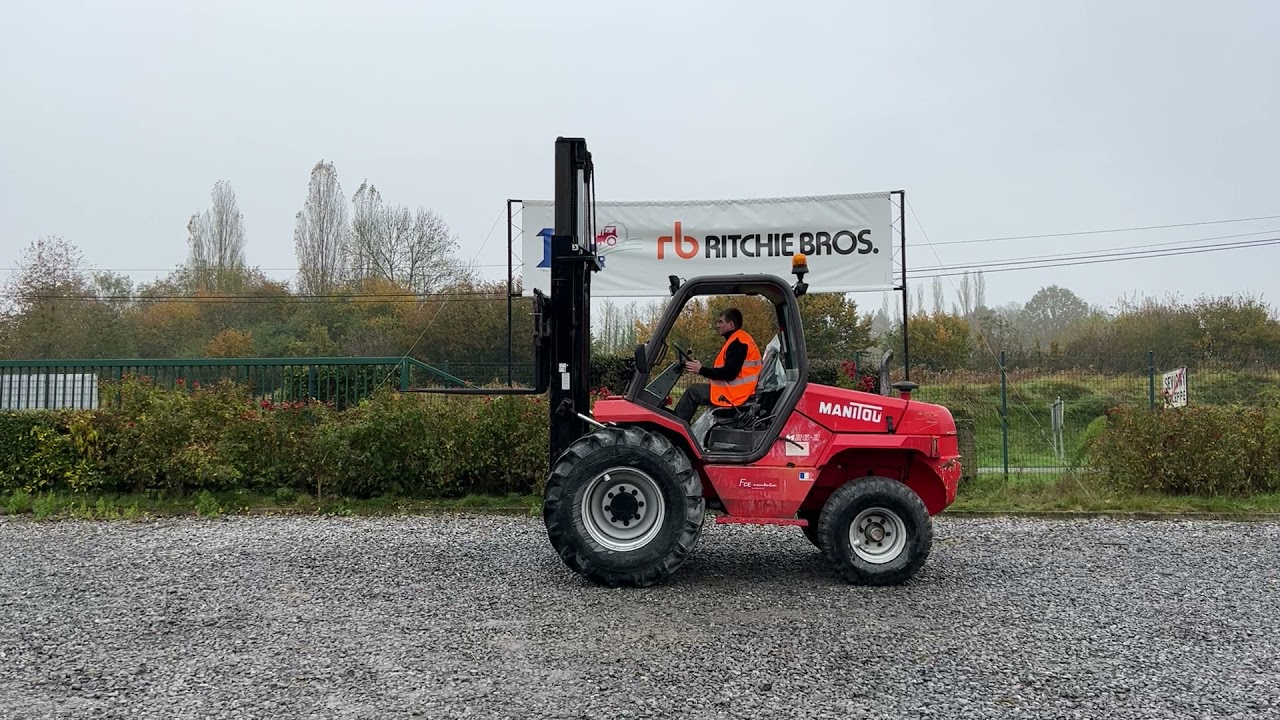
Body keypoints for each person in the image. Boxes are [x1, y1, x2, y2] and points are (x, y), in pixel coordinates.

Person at [673, 308, 762, 423]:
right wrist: (701, 368)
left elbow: (729, 373)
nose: (717, 325)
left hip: (735, 394)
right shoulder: (738, 339)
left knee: (693, 392)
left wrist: (702, 370)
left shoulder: (738, 343)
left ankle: (674, 431)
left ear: (731, 325)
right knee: (695, 390)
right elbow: (726, 370)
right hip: (737, 390)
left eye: (720, 322)